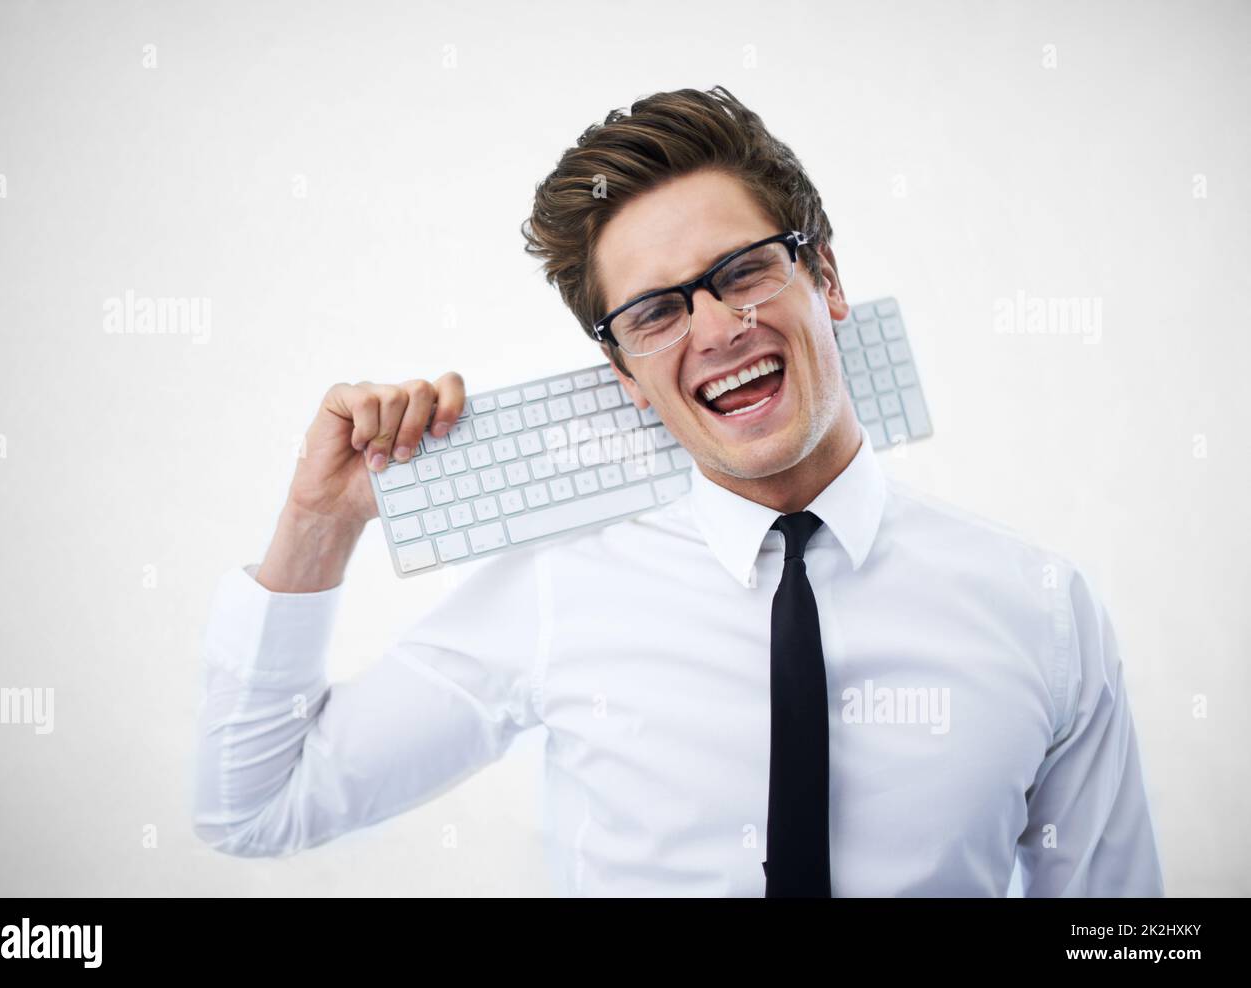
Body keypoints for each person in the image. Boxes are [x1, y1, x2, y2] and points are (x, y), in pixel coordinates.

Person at [191, 86, 1165, 897]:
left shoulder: (1041, 607)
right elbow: (257, 806)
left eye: (741, 271)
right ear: (621, 370)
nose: (715, 327)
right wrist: (318, 524)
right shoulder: (556, 590)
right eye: (655, 310)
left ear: (823, 274)